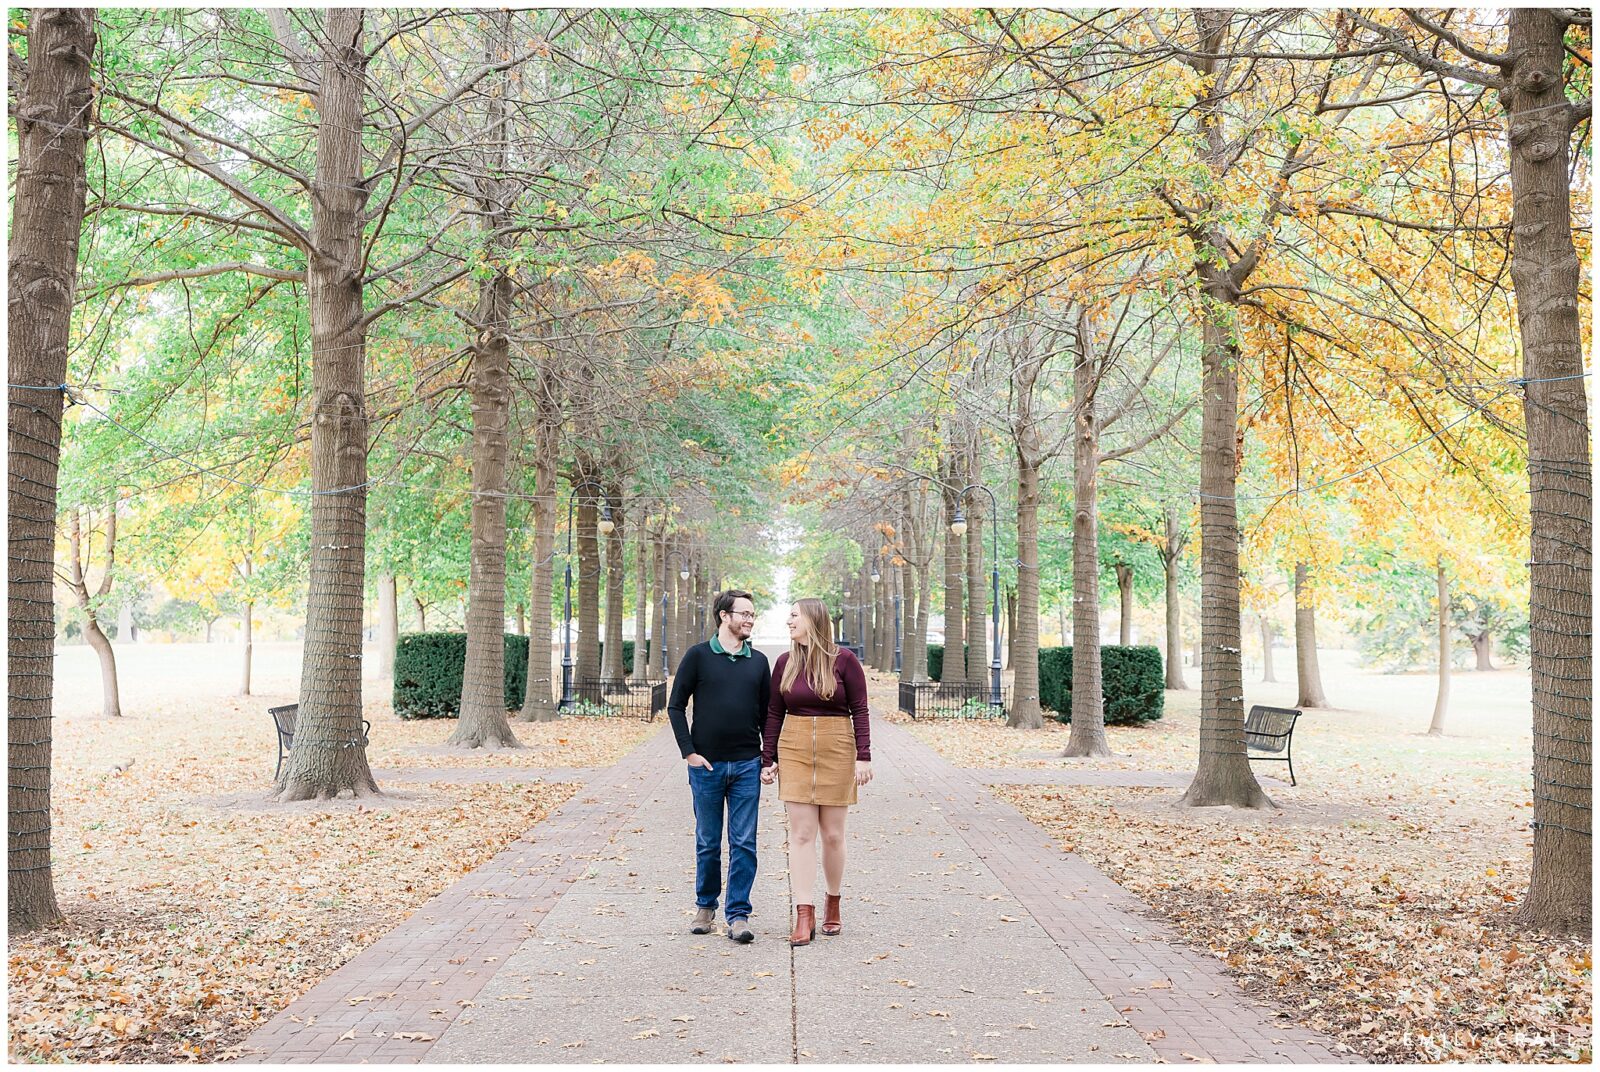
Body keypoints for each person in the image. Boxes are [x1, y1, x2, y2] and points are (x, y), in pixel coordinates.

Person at [761, 597, 873, 946]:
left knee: (833, 835)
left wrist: (863, 756)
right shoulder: (785, 663)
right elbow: (774, 713)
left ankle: (833, 902)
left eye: (794, 615)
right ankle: (803, 912)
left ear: (813, 619)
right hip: (794, 747)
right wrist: (768, 757)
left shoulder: (845, 661)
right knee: (801, 834)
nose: (789, 621)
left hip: (837, 746)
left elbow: (860, 709)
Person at [666, 589, 770, 943]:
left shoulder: (758, 662)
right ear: (724, 616)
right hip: (706, 767)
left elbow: (770, 713)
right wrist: (689, 752)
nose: (749, 620)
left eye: (752, 615)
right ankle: (706, 906)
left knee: (744, 843)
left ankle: (738, 914)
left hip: (746, 766)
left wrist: (768, 758)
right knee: (708, 842)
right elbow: (675, 706)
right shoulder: (698, 656)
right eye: (744, 613)